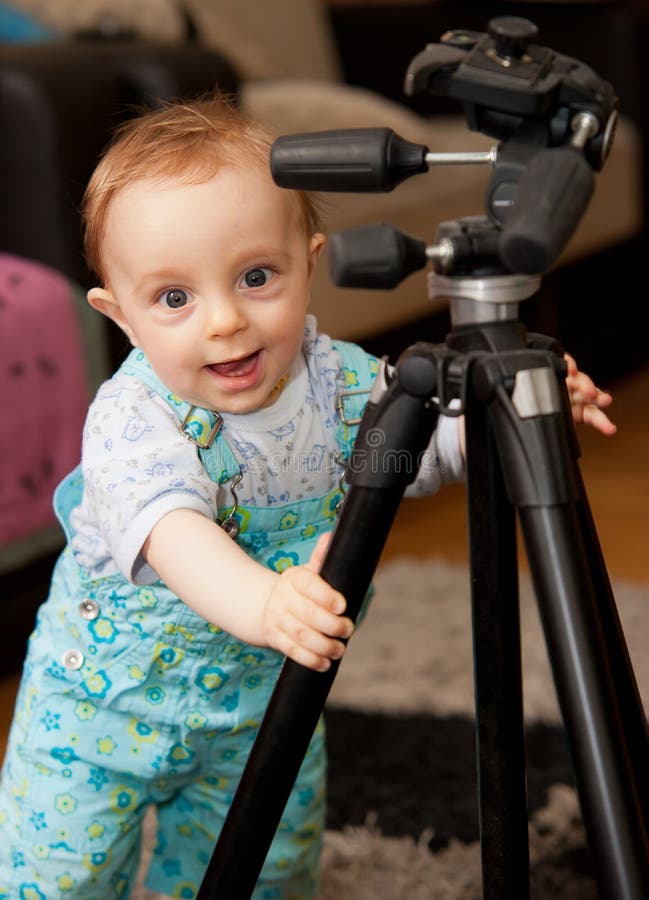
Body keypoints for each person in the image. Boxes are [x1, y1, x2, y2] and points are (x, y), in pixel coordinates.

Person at [0, 95, 615, 900]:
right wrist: (264, 605)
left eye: (256, 277)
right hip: (99, 713)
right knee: (60, 881)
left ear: (309, 261)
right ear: (119, 315)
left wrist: (507, 418)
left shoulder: (341, 383)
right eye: (174, 298)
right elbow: (172, 531)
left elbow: (421, 445)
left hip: (266, 710)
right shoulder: (132, 418)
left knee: (268, 874)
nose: (224, 321)